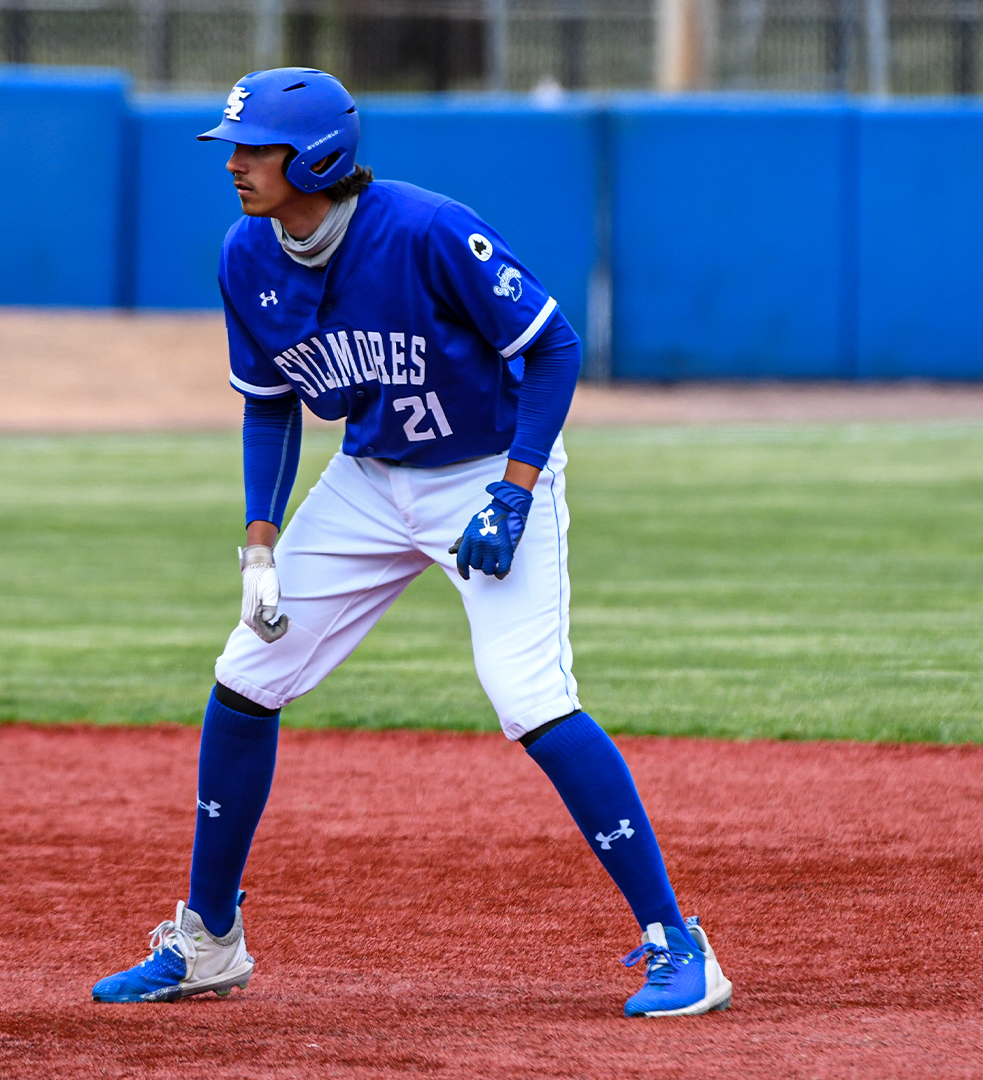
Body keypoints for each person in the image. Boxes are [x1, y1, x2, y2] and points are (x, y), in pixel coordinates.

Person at [91, 67, 732, 1018]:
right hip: (368, 479)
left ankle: (679, 944)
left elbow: (551, 348)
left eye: (253, 146)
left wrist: (516, 492)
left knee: (530, 698)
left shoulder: (427, 229)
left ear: (314, 157)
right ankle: (209, 939)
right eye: (233, 146)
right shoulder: (247, 255)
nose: (235, 164)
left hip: (486, 470)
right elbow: (270, 410)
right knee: (245, 678)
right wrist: (262, 547)